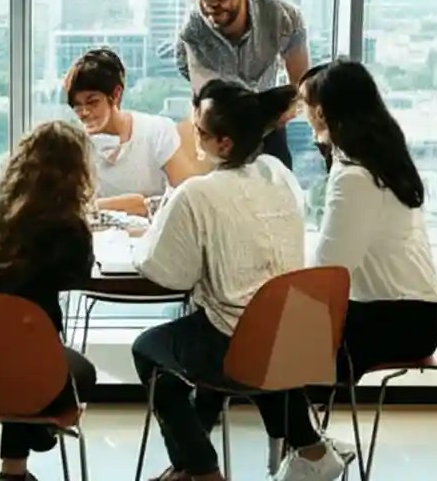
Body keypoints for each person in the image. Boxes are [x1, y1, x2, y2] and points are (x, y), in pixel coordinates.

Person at [132, 80, 347, 481]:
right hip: (293, 333)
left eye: (199, 132)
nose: (192, 137)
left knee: (150, 350)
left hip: (238, 343)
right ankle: (312, 448)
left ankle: (201, 471)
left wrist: (151, 231)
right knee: (231, 332)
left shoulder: (198, 193)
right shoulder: (279, 173)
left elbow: (164, 271)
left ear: (224, 143)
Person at [0, 121, 99, 481]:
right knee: (60, 366)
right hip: (27, 372)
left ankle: (13, 471)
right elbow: (79, 277)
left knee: (12, 348)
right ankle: (37, 431)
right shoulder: (68, 228)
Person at [298, 60, 437, 431]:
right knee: (287, 338)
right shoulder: (381, 162)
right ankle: (306, 448)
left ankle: (307, 450)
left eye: (304, 105)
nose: (301, 114)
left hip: (394, 320)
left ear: (321, 112)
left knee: (280, 345)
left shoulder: (354, 177)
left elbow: (330, 271)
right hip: (415, 314)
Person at [172, 0, 311, 170]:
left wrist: (281, 110)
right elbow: (206, 100)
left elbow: (303, 85)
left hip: (268, 124)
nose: (209, 6)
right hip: (218, 129)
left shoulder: (282, 18)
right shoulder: (192, 31)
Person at [64, 48, 200, 217]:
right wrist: (132, 204)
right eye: (77, 105)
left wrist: (140, 205)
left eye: (92, 102)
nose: (83, 112)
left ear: (116, 94)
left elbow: (189, 194)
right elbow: (69, 207)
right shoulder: (72, 146)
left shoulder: (155, 131)